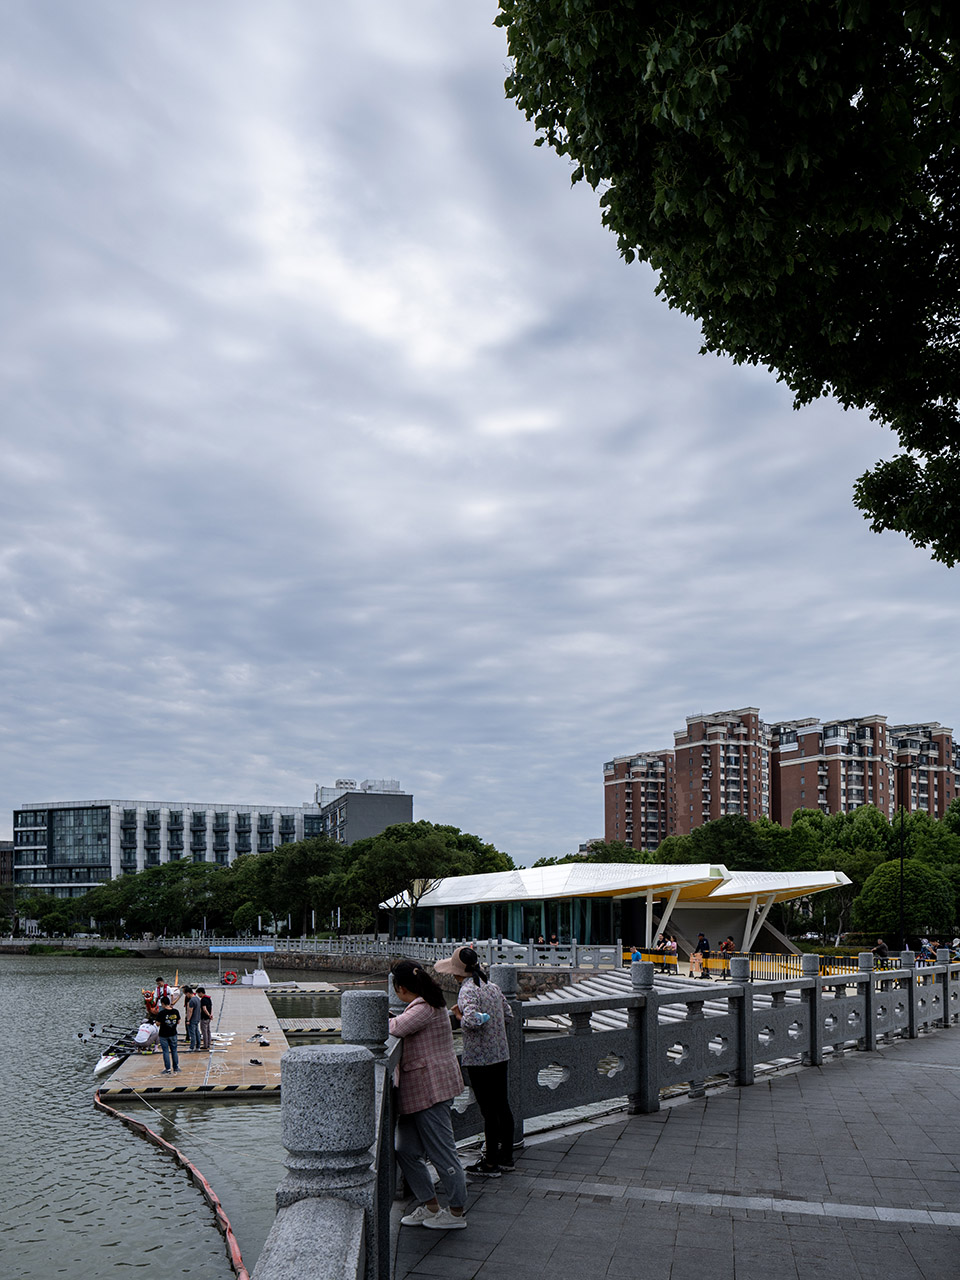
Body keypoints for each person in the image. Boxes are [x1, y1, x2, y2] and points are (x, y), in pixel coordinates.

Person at [389, 959, 468, 1231]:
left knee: (442, 1152)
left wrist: (384, 1019)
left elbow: (396, 1028)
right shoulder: (429, 1002)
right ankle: (430, 1204)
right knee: (406, 1151)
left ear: (399, 988)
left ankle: (456, 1211)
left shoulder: (424, 1006)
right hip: (417, 1091)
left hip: (431, 1089)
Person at [437, 946, 515, 1178]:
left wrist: (459, 1015)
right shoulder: (492, 987)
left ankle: (491, 1162)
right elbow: (508, 1014)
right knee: (502, 1106)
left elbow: (471, 1020)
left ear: (457, 973)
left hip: (480, 1059)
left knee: (489, 1110)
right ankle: (507, 1157)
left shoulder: (467, 991)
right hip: (500, 1054)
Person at [155, 996, 181, 1074]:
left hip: (163, 1035)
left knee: (166, 1052)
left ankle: (168, 1069)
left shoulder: (161, 1013)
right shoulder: (176, 1011)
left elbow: (157, 1024)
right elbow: (179, 1021)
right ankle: (176, 1067)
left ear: (163, 1004)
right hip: (173, 1033)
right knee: (174, 1051)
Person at [182, 985, 202, 1051]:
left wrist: (188, 1020)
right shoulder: (197, 999)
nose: (186, 996)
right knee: (197, 1032)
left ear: (188, 993)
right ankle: (198, 1046)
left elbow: (190, 1011)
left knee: (192, 1033)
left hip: (192, 1019)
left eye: (185, 994)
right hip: (197, 1018)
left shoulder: (191, 1001)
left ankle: (191, 1047)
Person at [196, 986, 213, 1050]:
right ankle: (208, 1043)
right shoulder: (208, 998)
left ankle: (205, 1045)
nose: (198, 995)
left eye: (198, 993)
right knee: (208, 1031)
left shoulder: (203, 999)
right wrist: (211, 1015)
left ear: (200, 993)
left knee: (204, 1032)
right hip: (208, 1018)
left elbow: (204, 1009)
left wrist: (208, 1015)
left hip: (204, 1017)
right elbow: (211, 1007)